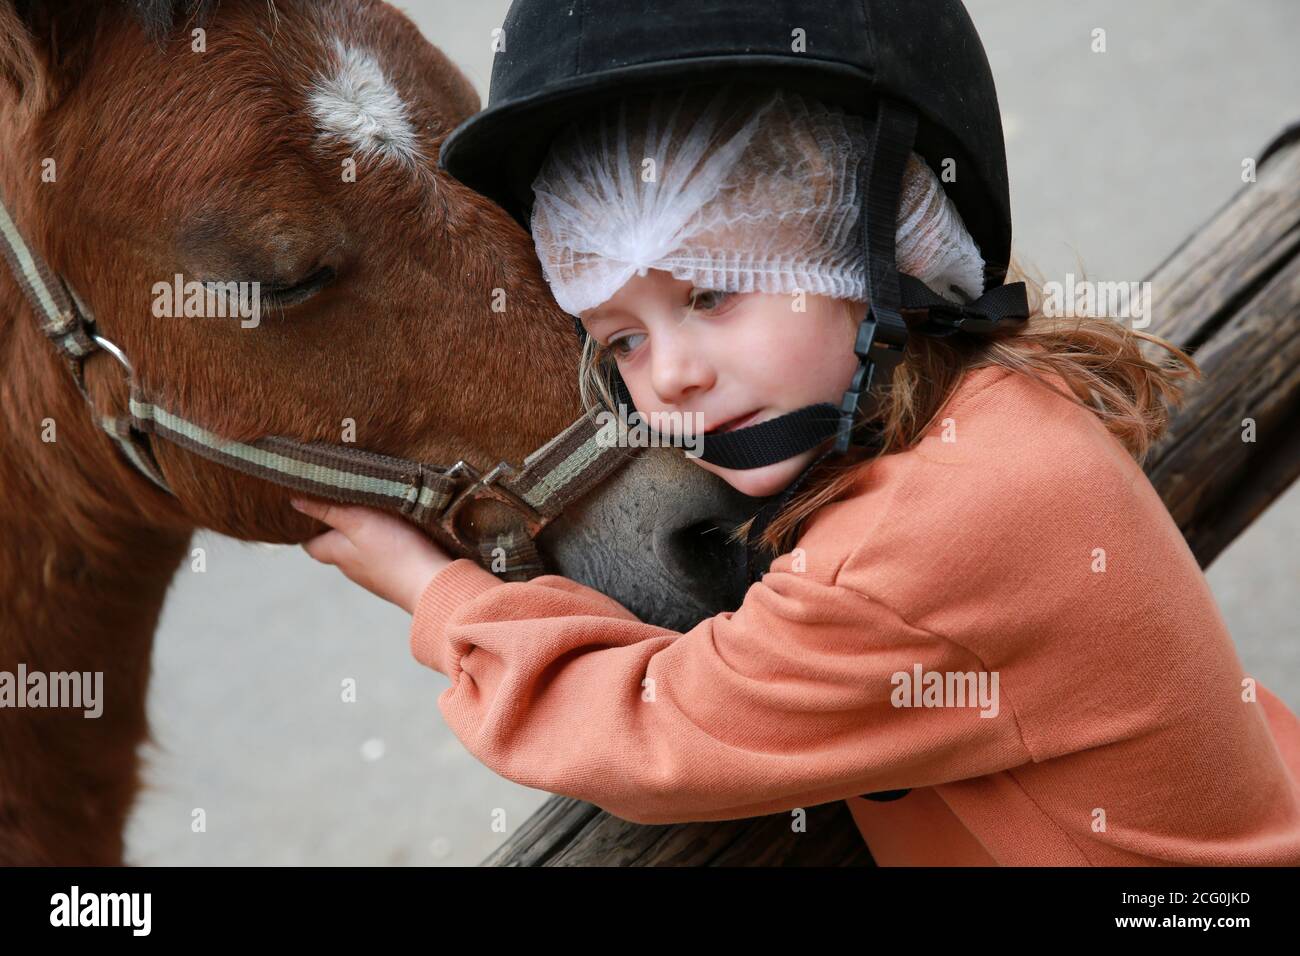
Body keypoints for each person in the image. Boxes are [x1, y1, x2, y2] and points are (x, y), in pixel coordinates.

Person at [289, 2, 1300, 865]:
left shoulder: (932, 537)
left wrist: (437, 593)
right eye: (623, 337)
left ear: (882, 247)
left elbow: (653, 728)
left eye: (714, 291)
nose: (671, 371)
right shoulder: (982, 412)